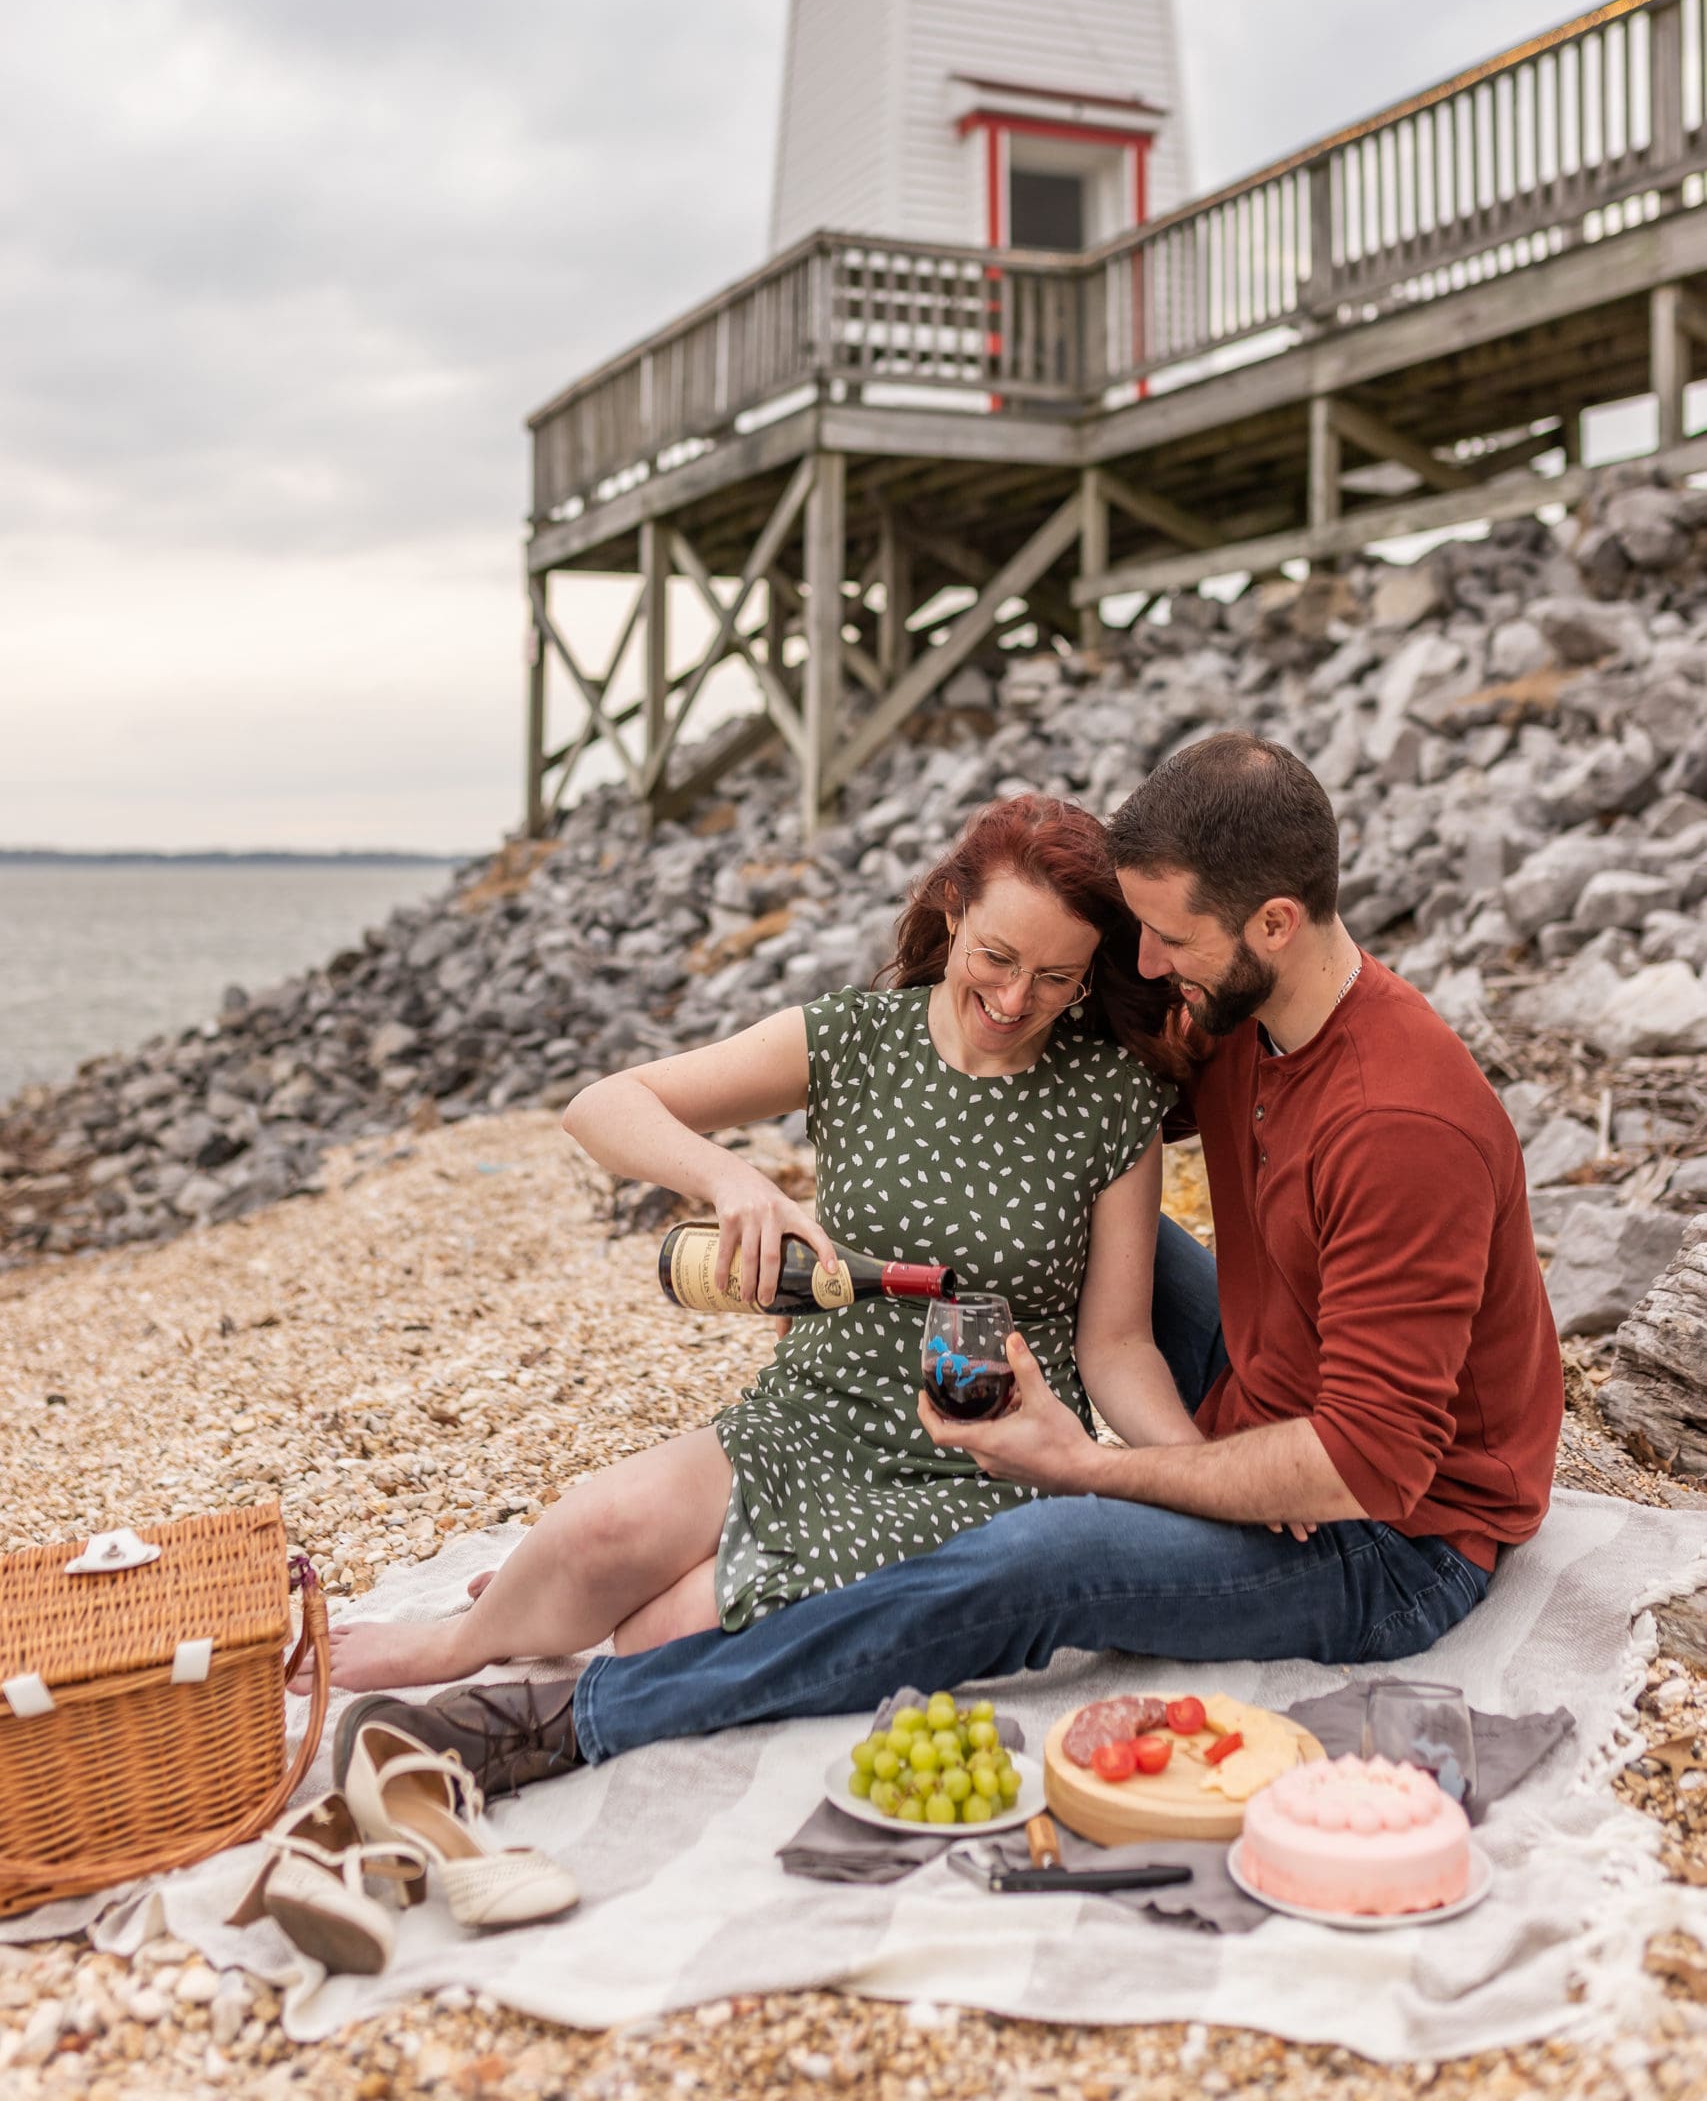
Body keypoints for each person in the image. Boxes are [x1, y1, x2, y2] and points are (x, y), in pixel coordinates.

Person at [334, 732, 1563, 1798]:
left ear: (1274, 924)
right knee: (1075, 1258)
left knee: (1052, 1556)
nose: (1143, 974)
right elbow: (1036, 1095)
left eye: (1169, 941)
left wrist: (1092, 1468)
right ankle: (822, 1519)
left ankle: (581, 1719)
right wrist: (749, 1182)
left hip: (1389, 1537)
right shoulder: (1240, 1021)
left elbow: (1365, 1464)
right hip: (1279, 1393)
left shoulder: (1403, 1126)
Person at [312, 793, 1189, 1697]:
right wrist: (734, 1180)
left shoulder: (1112, 1097)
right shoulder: (854, 1039)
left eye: (1055, 979)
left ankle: (587, 1603)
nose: (1013, 1000)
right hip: (809, 1417)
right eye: (996, 958)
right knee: (598, 1530)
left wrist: (1192, 1473)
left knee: (662, 1636)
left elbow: (1116, 1345)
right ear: (953, 908)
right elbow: (599, 1107)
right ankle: (462, 1645)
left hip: (994, 1462)